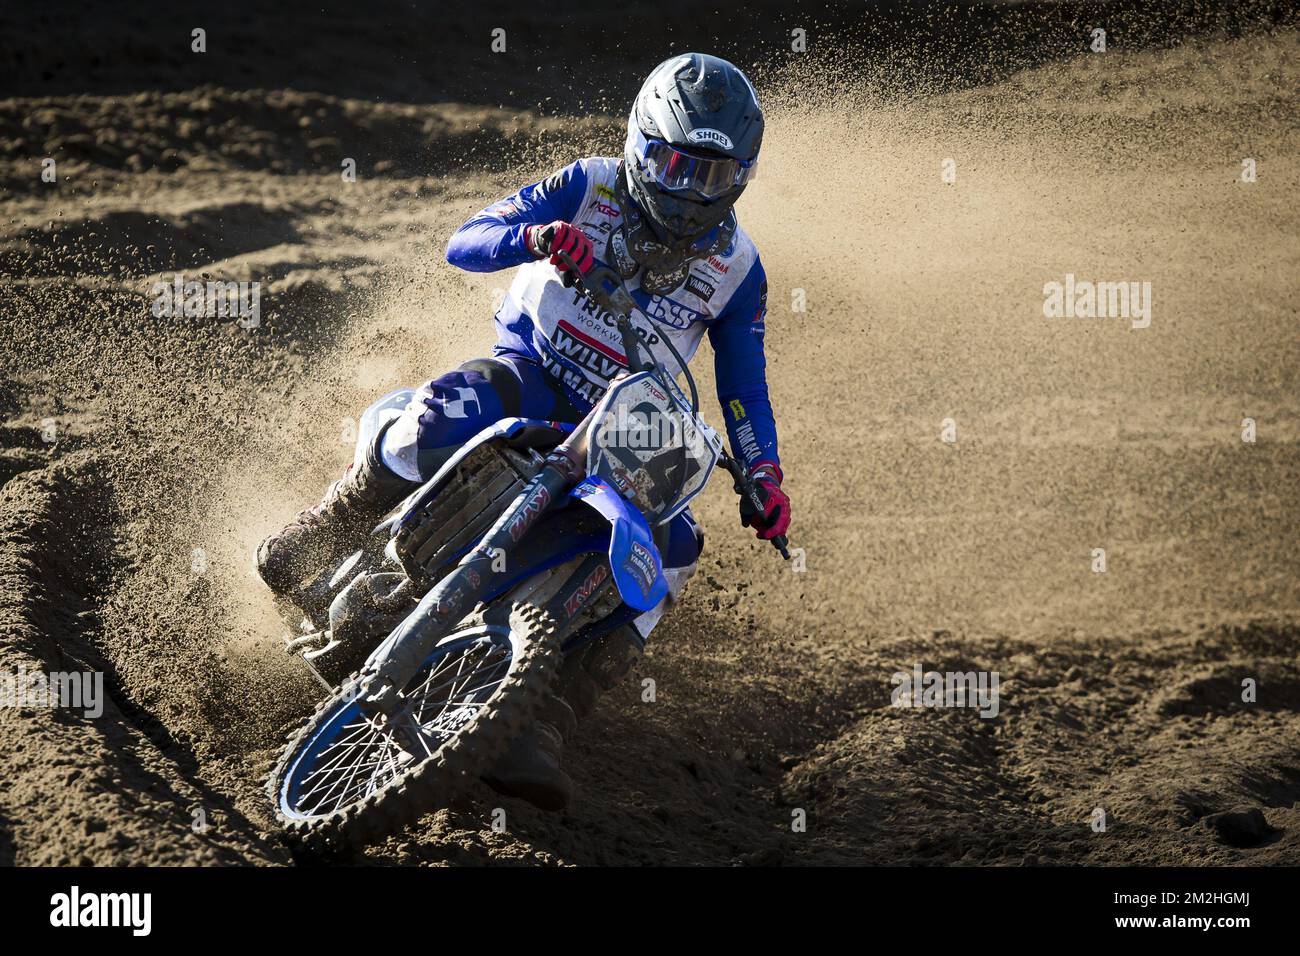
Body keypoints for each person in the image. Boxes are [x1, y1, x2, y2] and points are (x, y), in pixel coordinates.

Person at [257, 52, 790, 811]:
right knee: (443, 416)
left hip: (627, 426)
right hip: (532, 370)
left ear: (741, 175)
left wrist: (764, 475)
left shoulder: (739, 268)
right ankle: (337, 516)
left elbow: (743, 385)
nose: (685, 187)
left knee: (673, 556)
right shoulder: (589, 184)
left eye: (709, 174)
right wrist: (536, 237)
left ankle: (546, 716)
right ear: (640, 146)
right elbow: (464, 240)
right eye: (671, 163)